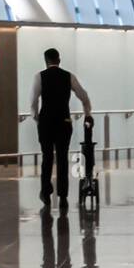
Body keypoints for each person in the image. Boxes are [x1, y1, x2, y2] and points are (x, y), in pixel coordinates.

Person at [30, 48, 93, 211]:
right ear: (59, 60)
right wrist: (87, 113)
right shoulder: (68, 76)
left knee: (47, 157)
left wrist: (37, 118)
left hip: (46, 123)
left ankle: (46, 193)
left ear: (46, 61)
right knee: (63, 157)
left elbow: (33, 101)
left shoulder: (39, 77)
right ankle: (63, 196)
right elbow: (83, 95)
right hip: (64, 122)